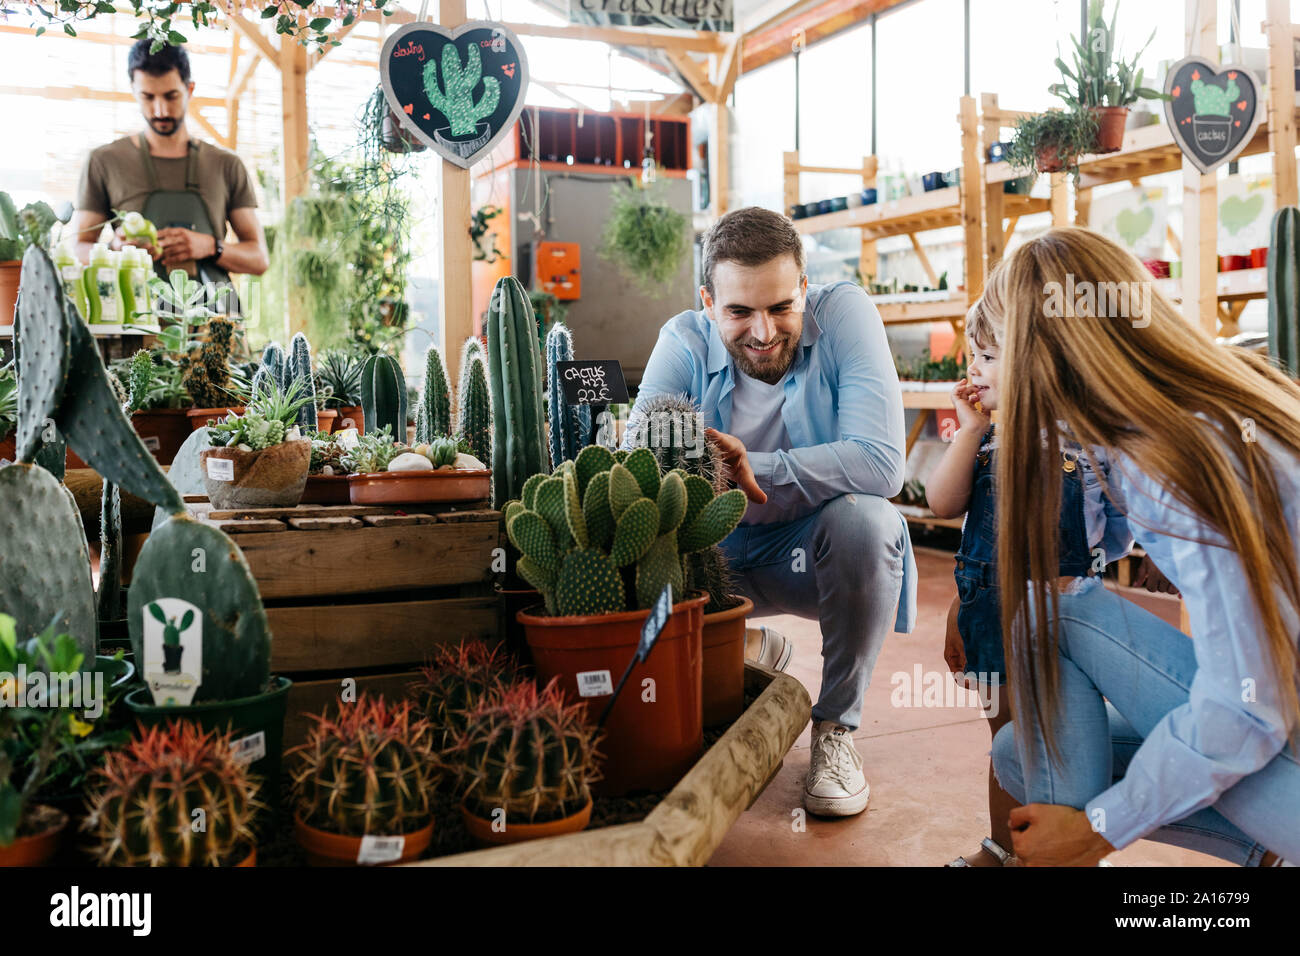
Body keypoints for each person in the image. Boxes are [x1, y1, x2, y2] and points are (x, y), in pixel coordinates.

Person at [986, 227, 1299, 867]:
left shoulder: (1182, 457)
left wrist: (1096, 830)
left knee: (1055, 615)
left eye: (999, 353)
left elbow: (1250, 708)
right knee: (1018, 749)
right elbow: (1110, 539)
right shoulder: (1191, 416)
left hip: (1275, 725)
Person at [628, 206, 916, 817]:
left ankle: (836, 729)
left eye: (782, 307)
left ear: (805, 288)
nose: (763, 332)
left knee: (870, 521)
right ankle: (741, 642)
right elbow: (636, 468)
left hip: (810, 553)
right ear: (708, 302)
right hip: (715, 561)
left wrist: (752, 467)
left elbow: (882, 464)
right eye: (739, 312)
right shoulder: (680, 341)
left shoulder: (845, 315)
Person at [925, 296, 1134, 866]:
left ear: (1041, 365)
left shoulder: (1090, 444)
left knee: (1060, 742)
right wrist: (969, 431)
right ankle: (1002, 849)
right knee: (1006, 743)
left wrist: (1089, 574)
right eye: (973, 354)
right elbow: (945, 506)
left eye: (988, 356)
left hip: (1062, 626)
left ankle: (1069, 851)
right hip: (989, 615)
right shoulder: (987, 439)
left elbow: (1117, 528)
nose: (972, 369)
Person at [70, 40, 269, 288]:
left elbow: (259, 259)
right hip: (136, 323)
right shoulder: (104, 161)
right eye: (148, 97)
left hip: (217, 320)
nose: (160, 109)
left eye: (171, 96)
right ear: (134, 91)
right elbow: (76, 249)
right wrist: (115, 249)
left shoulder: (226, 164)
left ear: (190, 89)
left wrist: (210, 246)